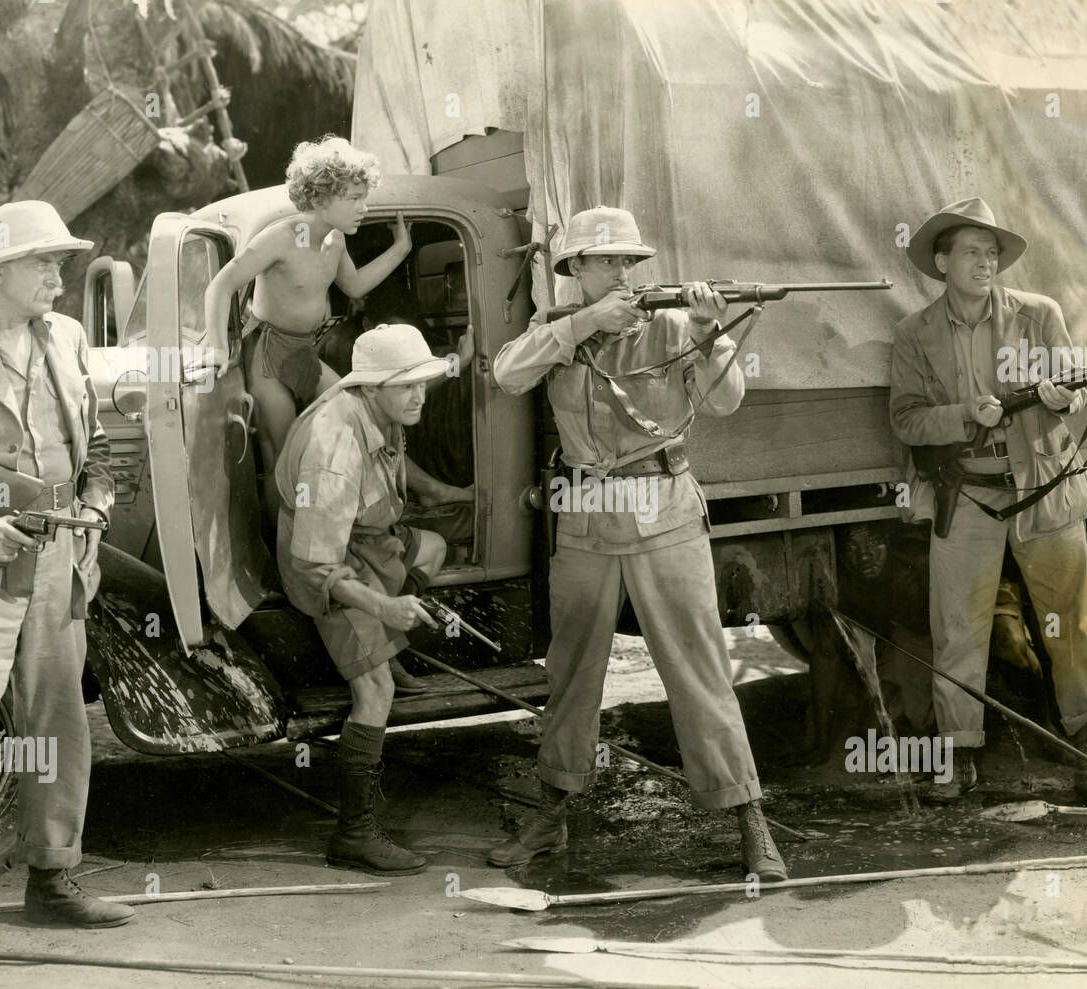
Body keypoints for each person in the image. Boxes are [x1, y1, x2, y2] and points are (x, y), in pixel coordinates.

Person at [486, 206, 787, 880]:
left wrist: (711, 331)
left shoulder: (675, 323)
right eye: (609, 261)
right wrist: (587, 324)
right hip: (588, 512)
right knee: (570, 672)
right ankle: (551, 815)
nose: (623, 271)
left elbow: (726, 402)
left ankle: (749, 816)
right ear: (577, 270)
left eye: (629, 260)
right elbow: (506, 374)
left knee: (700, 667)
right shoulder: (555, 329)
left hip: (662, 506)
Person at [888, 197, 1087, 807]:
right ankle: (959, 759)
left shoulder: (1039, 315)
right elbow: (908, 421)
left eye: (992, 253)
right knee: (958, 630)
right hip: (965, 492)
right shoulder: (915, 333)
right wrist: (966, 413)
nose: (985, 262)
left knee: (1070, 625)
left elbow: (1073, 386)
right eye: (971, 251)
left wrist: (1058, 396)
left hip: (1043, 485)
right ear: (941, 261)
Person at [205, 135, 461, 691]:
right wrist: (212, 345)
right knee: (283, 452)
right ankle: (292, 566)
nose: (362, 207)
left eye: (363, 196)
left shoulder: (332, 242)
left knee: (370, 419)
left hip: (309, 351)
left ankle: (384, 522)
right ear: (319, 196)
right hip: (272, 355)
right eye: (354, 197)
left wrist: (399, 247)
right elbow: (223, 283)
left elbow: (355, 285)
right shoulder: (283, 236)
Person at [0, 201, 133, 927]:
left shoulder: (66, 337)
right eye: (44, 264)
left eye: (62, 265)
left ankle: (53, 879)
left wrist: (96, 500)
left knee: (58, 723)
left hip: (59, 563)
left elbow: (94, 444)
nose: (58, 281)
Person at [273, 323, 451, 875]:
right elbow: (314, 568)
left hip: (371, 541)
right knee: (375, 693)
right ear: (370, 388)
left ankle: (386, 641)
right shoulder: (335, 446)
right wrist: (384, 608)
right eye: (406, 386)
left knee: (437, 548)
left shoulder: (381, 411)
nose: (419, 396)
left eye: (423, 383)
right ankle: (354, 834)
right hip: (330, 565)